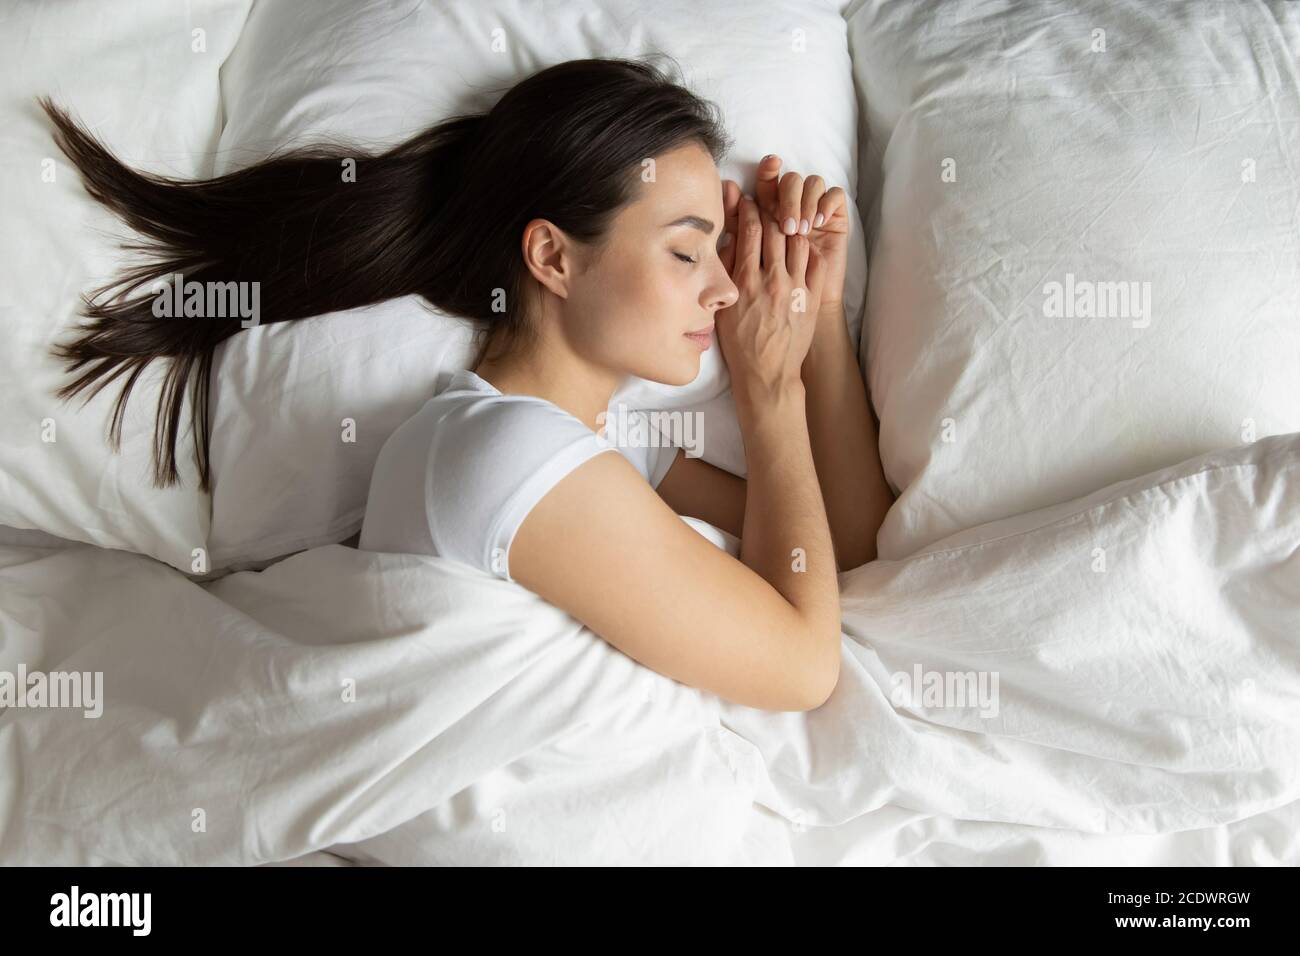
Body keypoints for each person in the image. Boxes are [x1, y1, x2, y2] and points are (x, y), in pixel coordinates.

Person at [42, 56, 893, 712]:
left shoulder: (606, 448)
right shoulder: (510, 454)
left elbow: (843, 553)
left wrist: (815, 325)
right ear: (553, 257)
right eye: (685, 251)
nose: (727, 288)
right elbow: (805, 667)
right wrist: (767, 390)